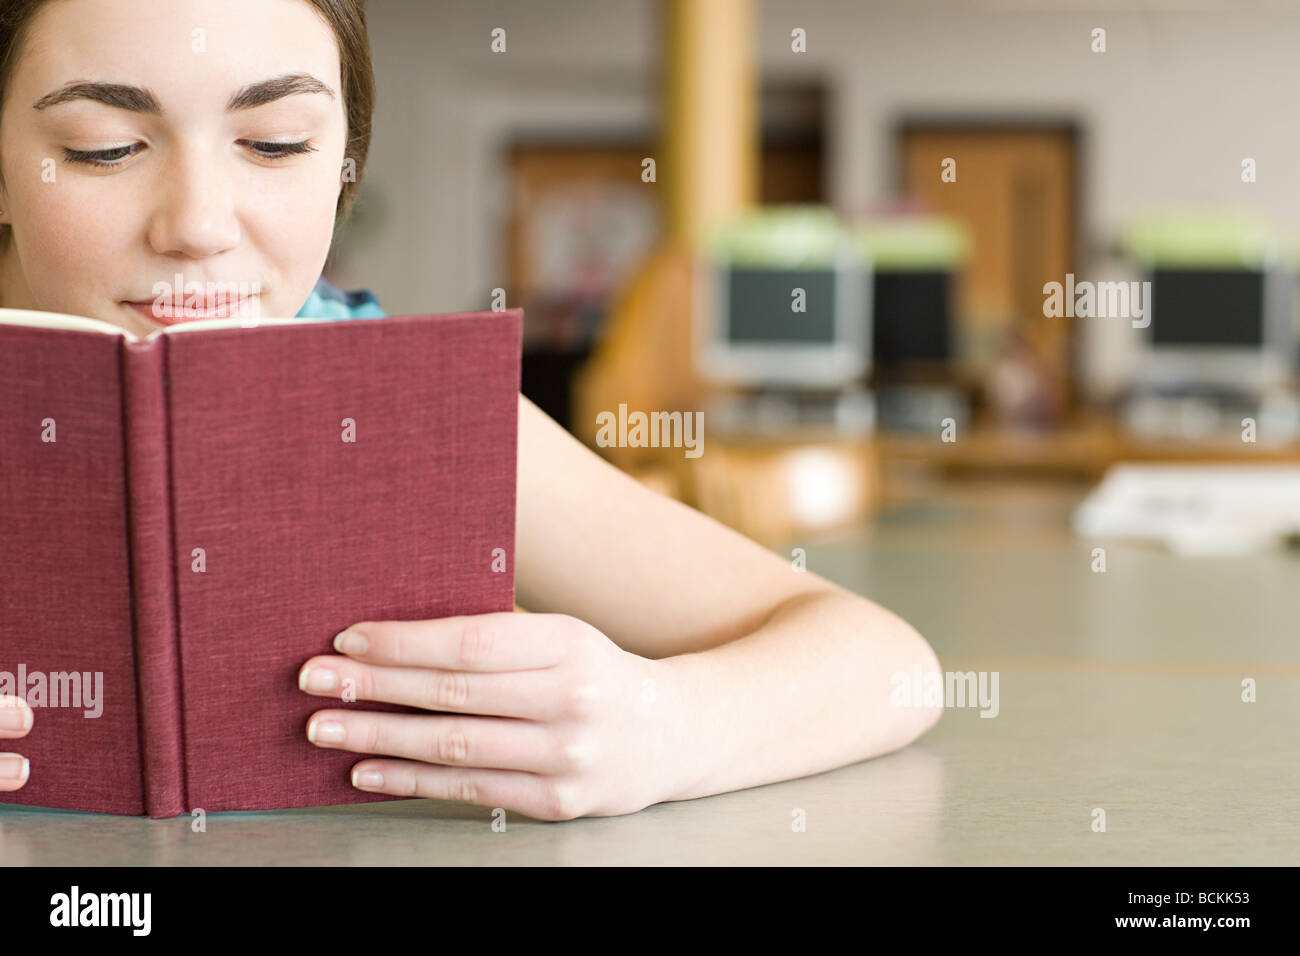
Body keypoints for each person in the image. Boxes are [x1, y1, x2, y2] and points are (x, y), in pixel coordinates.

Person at [0, 0, 941, 820]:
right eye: (104, 149)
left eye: (276, 142)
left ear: (343, 161)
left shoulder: (406, 408)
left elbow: (887, 665)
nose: (199, 225)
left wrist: (668, 726)